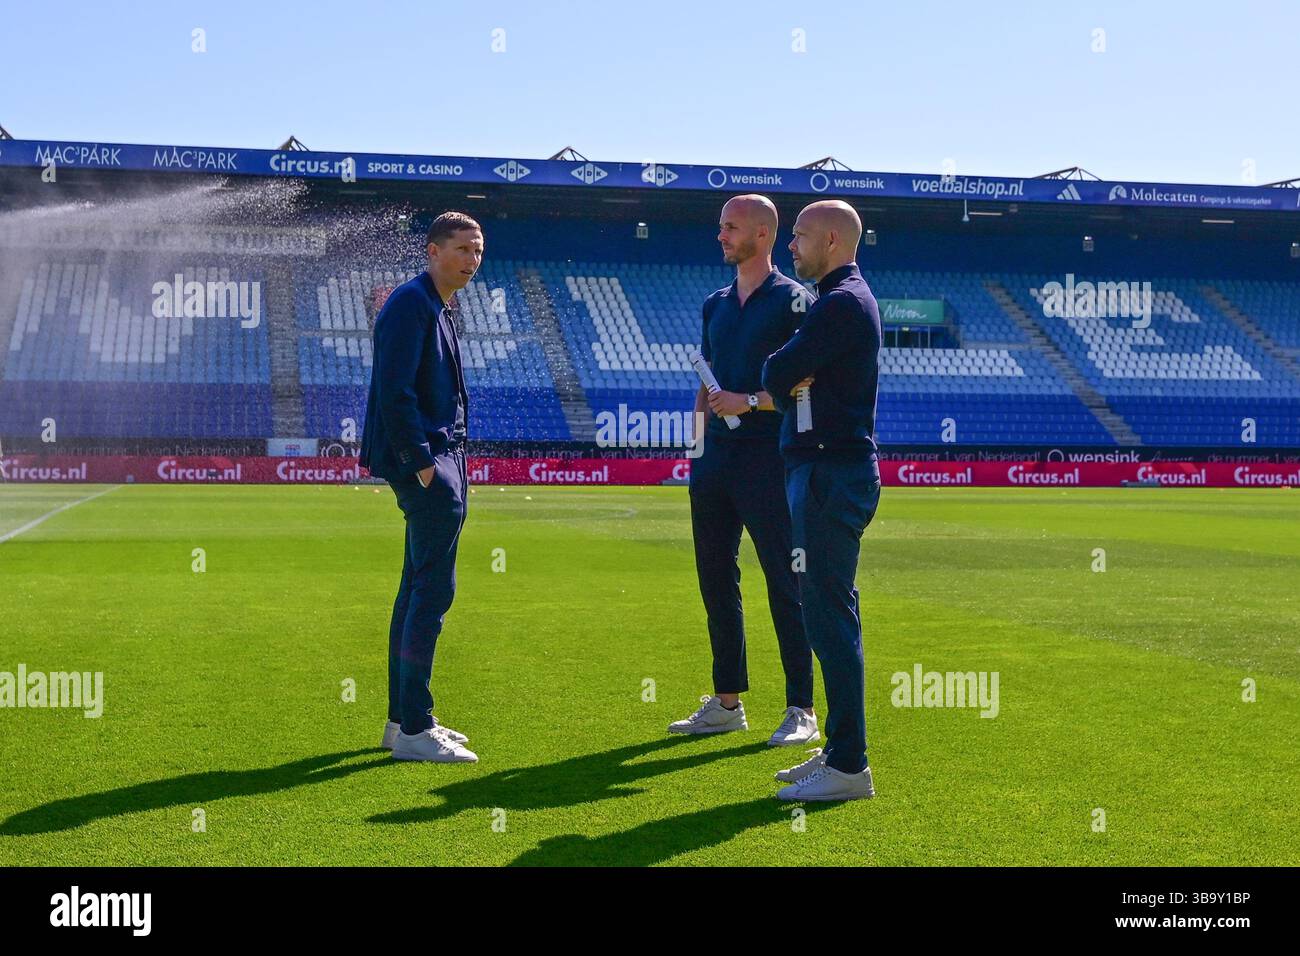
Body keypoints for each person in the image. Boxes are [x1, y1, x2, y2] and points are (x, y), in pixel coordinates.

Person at [668, 195, 819, 748]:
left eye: (730, 228)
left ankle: (801, 707)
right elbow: (706, 388)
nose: (721, 236)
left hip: (769, 458)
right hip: (715, 464)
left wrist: (750, 402)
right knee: (715, 578)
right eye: (720, 227)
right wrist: (697, 448)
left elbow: (808, 391)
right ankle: (727, 701)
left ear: (763, 233)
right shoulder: (715, 304)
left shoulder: (797, 303)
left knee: (787, 580)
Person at [761, 199, 883, 801]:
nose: (791, 246)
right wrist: (788, 379)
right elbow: (785, 378)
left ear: (832, 240)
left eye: (801, 236)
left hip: (831, 473)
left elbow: (777, 371)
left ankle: (849, 767)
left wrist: (788, 377)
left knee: (829, 618)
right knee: (826, 614)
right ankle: (839, 750)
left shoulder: (840, 304)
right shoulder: (837, 302)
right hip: (824, 469)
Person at [360, 211, 482, 763]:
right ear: (432, 251)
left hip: (443, 457)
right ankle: (415, 726)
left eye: (478, 250)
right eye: (461, 248)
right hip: (427, 464)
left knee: (416, 590)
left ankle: (400, 721)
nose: (472, 259)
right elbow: (394, 391)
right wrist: (423, 464)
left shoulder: (440, 305)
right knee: (432, 594)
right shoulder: (410, 303)